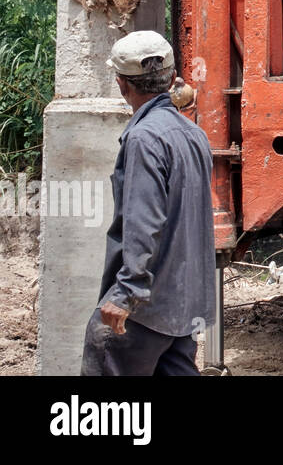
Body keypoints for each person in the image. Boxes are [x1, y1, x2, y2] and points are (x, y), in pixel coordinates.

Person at [82, 30, 216, 376]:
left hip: (145, 309)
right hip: (184, 308)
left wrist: (126, 294)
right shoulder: (194, 135)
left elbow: (145, 222)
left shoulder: (144, 138)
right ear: (172, 78)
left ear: (121, 84)